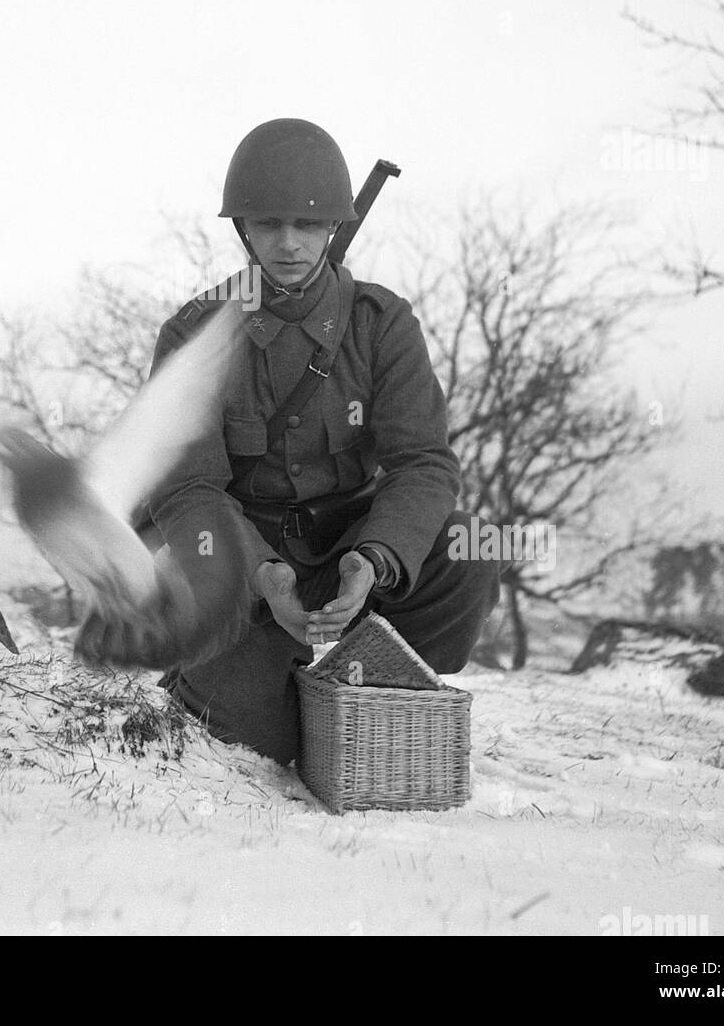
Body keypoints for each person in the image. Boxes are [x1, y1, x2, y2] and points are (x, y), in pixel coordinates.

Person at [147, 118, 499, 765]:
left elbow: (422, 462)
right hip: (247, 565)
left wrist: (374, 560)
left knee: (466, 547)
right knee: (268, 745)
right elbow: (188, 490)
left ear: (333, 226)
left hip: (350, 549)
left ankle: (379, 679)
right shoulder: (193, 336)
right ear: (242, 229)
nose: (287, 243)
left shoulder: (380, 323)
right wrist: (265, 578)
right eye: (268, 223)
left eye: (307, 225)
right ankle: (230, 674)